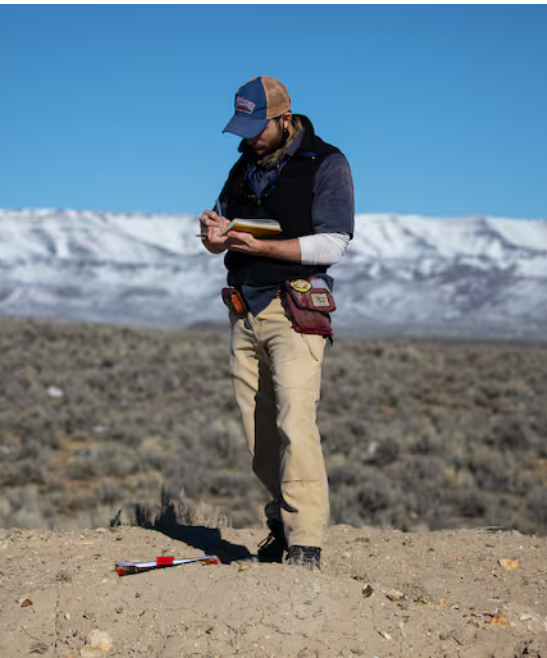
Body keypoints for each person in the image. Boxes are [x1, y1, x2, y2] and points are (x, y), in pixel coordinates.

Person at [198, 76, 354, 571]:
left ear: (284, 119)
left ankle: (305, 540)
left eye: (256, 128)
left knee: (295, 421)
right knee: (258, 433)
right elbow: (221, 230)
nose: (247, 138)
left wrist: (263, 247)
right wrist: (214, 236)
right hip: (244, 310)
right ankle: (281, 521)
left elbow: (334, 244)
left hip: (295, 312)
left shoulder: (326, 163)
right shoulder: (243, 167)